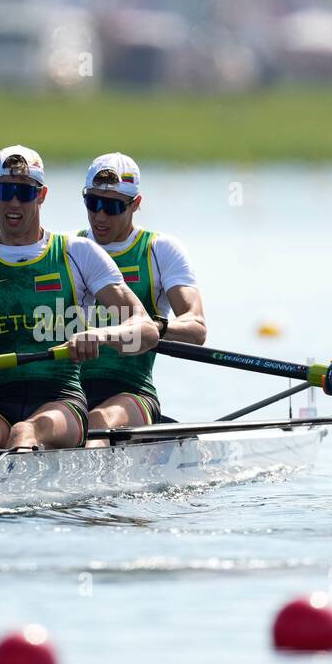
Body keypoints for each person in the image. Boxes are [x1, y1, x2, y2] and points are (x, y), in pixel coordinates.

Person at [0, 145, 158, 450]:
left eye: (25, 192)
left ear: (41, 195)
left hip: (61, 402)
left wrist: (100, 335)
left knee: (25, 434)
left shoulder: (78, 253)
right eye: (5, 191)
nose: (14, 201)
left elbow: (146, 329)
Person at [77, 152, 205, 445]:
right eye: (92, 203)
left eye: (111, 206)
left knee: (96, 422)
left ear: (136, 204)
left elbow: (196, 328)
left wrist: (149, 328)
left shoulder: (160, 251)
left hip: (131, 393)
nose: (99, 216)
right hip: (66, 392)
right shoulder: (70, 248)